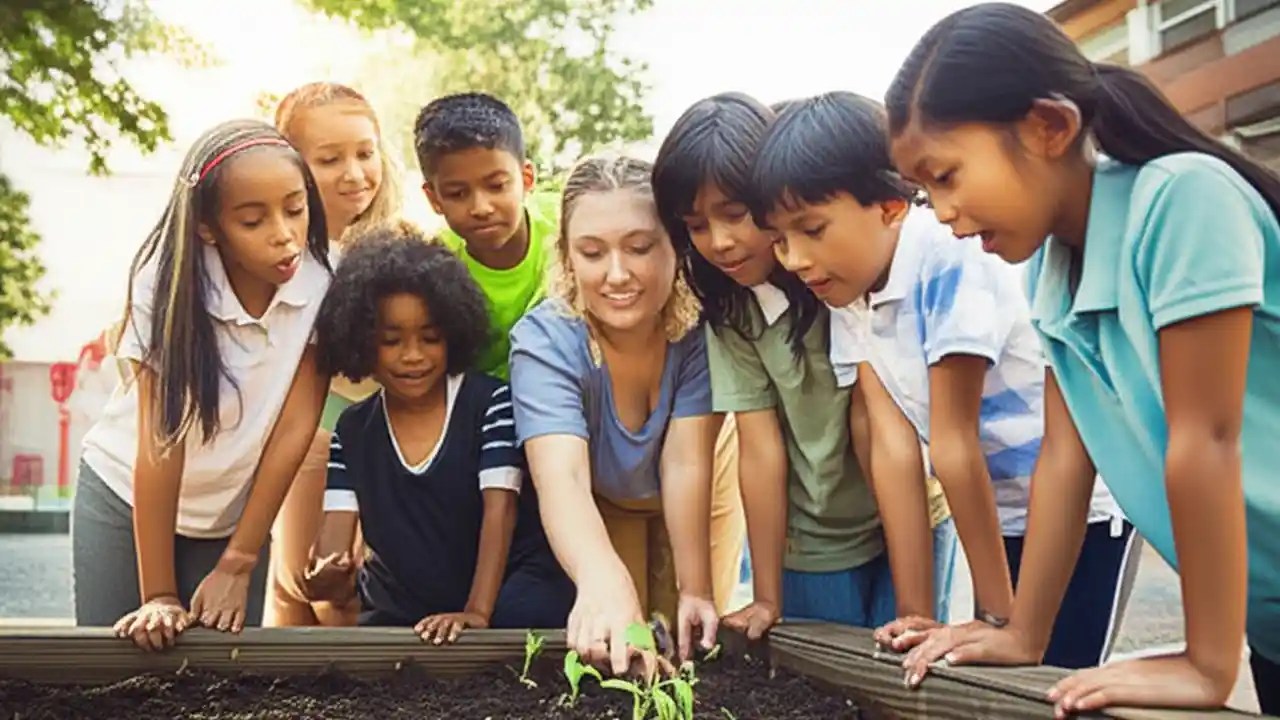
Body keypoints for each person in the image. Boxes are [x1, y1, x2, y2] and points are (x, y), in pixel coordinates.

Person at [884, 3, 1280, 715]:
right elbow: (1067, 458)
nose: (939, 212)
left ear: (1048, 128)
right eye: (922, 191)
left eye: (945, 176)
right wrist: (1022, 633)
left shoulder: (1182, 199)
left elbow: (1206, 436)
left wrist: (1205, 663)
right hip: (1271, 617)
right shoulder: (1048, 270)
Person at [750, 90, 1135, 671]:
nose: (796, 258)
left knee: (1057, 682)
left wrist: (1004, 623)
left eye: (811, 229)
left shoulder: (950, 258)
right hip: (995, 512)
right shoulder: (847, 291)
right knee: (990, 679)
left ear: (889, 205)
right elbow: (893, 445)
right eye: (780, 239)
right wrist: (916, 612)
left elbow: (953, 445)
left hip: (1076, 512)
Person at [651, 92, 954, 635]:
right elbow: (759, 446)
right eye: (696, 225)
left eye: (736, 215)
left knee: (910, 669)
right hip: (812, 544)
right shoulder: (732, 310)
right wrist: (766, 596)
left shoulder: (844, 280)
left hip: (907, 518)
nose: (719, 242)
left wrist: (916, 612)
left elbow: (880, 429)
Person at [73, 119, 332, 650]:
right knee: (114, 672)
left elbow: (294, 430)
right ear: (208, 228)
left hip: (230, 519)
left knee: (222, 686)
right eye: (253, 220)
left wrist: (239, 560)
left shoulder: (323, 284)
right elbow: (160, 440)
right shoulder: (165, 282)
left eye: (295, 207)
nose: (284, 233)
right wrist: (159, 595)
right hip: (125, 499)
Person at [509, 154, 745, 675]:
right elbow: (563, 478)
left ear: (675, 247)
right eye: (592, 253)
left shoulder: (701, 331)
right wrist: (602, 581)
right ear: (568, 259)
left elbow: (686, 463)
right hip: (604, 494)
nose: (618, 275)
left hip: (704, 485)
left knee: (694, 637)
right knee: (625, 638)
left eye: (639, 248)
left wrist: (696, 588)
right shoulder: (543, 342)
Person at [302, 224, 574, 639]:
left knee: (526, 612)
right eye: (391, 341)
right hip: (404, 603)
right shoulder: (353, 429)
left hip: (503, 592)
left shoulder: (491, 402)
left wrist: (476, 613)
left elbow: (499, 510)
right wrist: (324, 577)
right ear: (360, 340)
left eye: (430, 338)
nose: (413, 356)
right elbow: (333, 545)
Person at [266, 82, 403, 628]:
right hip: (311, 439)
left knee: (346, 589)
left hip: (376, 439)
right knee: (309, 586)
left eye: (365, 154)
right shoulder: (284, 254)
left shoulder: (393, 243)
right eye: (330, 160)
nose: (354, 173)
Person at [413, 92, 560, 381]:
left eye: (497, 186)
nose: (481, 208)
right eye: (458, 194)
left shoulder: (570, 225)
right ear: (434, 199)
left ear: (526, 178)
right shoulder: (435, 268)